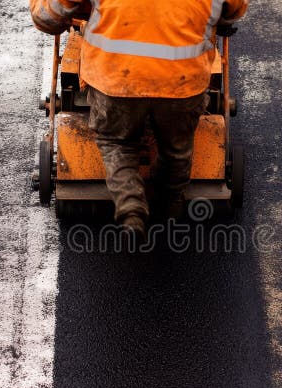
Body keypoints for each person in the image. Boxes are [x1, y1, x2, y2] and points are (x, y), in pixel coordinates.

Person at [30, 0, 248, 238]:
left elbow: (46, 18)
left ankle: (130, 206)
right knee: (177, 148)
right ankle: (171, 203)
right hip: (183, 80)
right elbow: (233, 10)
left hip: (116, 80)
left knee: (116, 143)